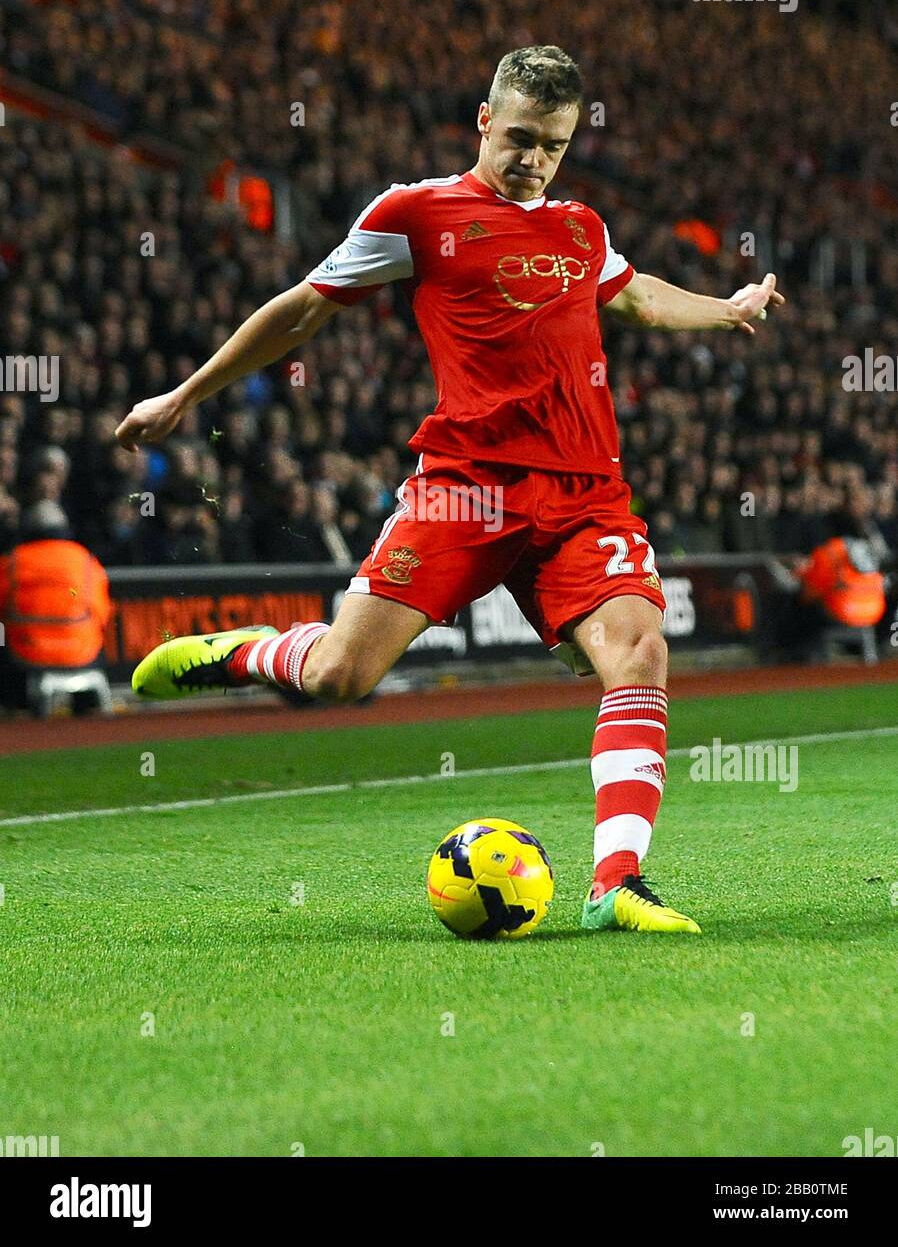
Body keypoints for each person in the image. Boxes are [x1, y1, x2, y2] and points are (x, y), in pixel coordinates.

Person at [116, 46, 783, 934]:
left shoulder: (580, 229)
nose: (532, 160)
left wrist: (728, 307)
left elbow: (641, 296)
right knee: (340, 677)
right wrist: (186, 394)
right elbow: (300, 308)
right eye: (517, 139)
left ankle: (615, 883)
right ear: (482, 120)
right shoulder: (416, 214)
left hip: (584, 496)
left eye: (551, 145)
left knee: (641, 650)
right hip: (463, 490)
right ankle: (243, 653)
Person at [0, 501, 112, 712]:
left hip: (28, 654)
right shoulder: (85, 559)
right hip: (83, 652)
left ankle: (15, 712)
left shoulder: (12, 561)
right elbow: (102, 612)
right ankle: (88, 712)